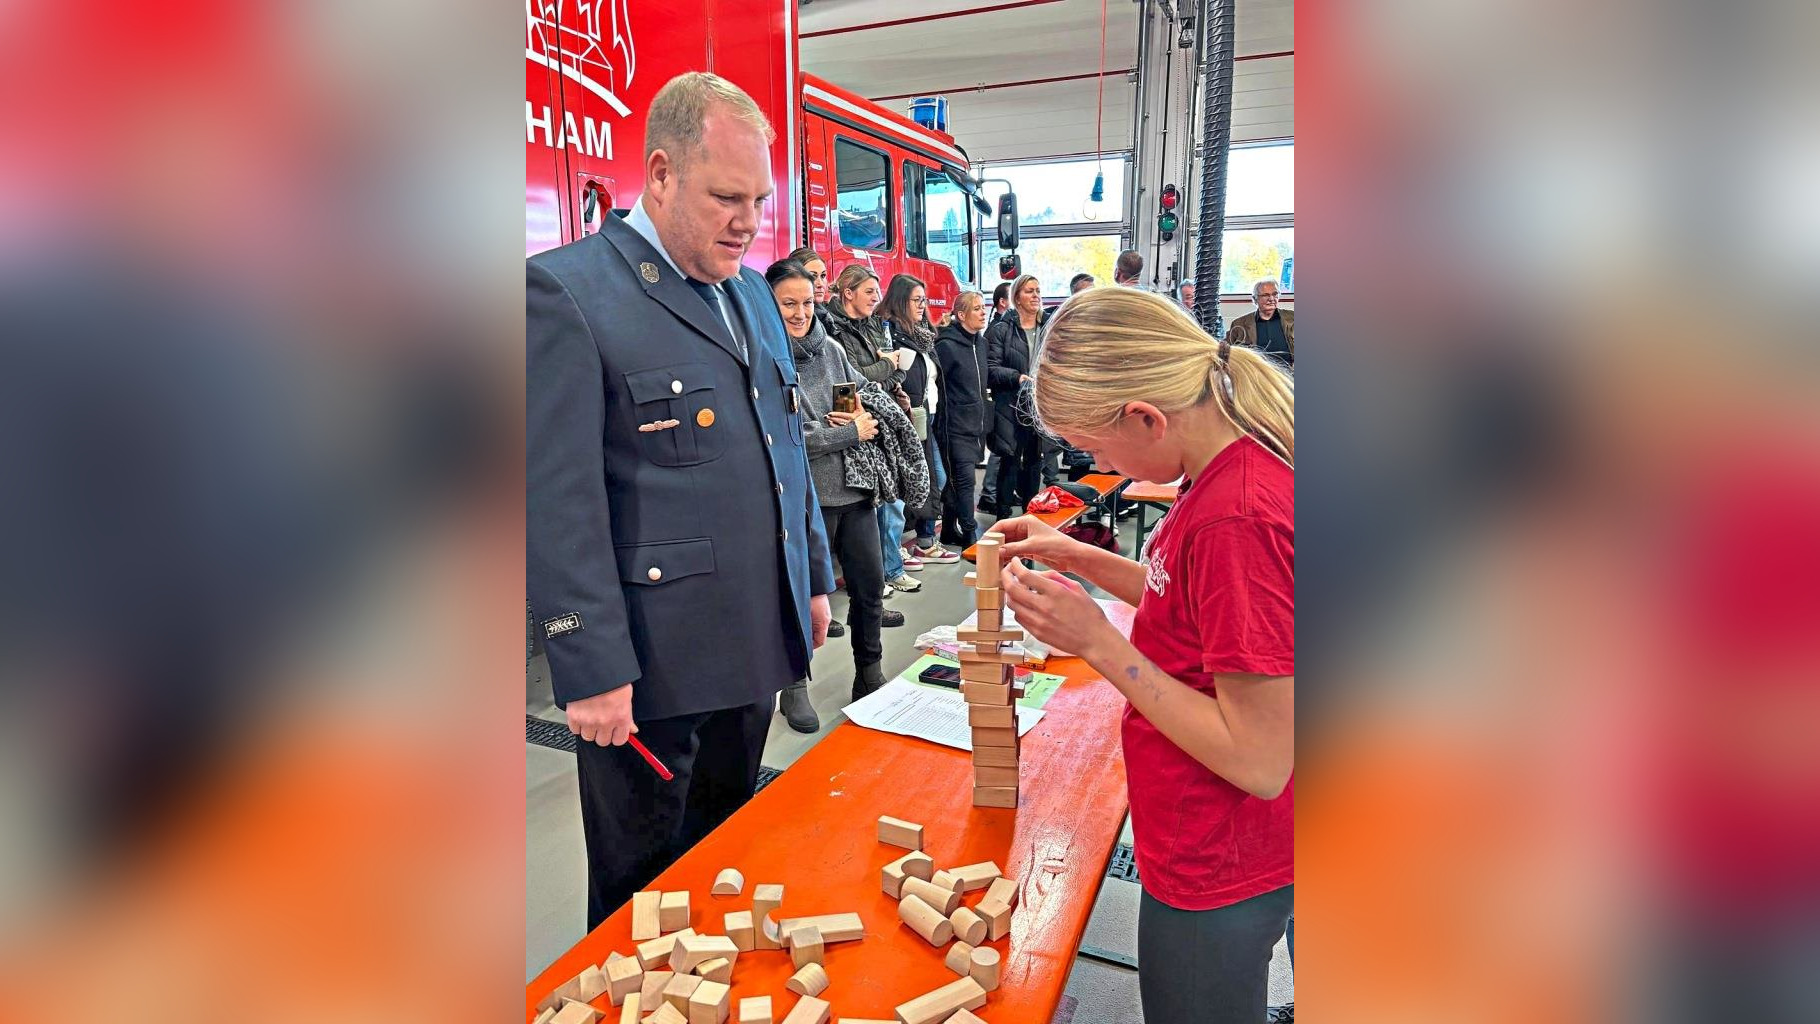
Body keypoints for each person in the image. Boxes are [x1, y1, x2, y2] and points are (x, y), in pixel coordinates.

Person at [526, 71, 834, 930]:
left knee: (728, 868)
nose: (749, 222)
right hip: (650, 671)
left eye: (760, 199)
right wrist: (587, 666)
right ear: (659, 175)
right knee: (639, 904)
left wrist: (809, 577)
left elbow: (786, 450)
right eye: (726, 196)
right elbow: (556, 500)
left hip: (752, 642)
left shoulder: (750, 297)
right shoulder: (567, 294)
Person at [987, 287, 1293, 1024]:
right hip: (1216, 833)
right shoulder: (1224, 461)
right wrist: (1077, 557)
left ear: (1145, 418)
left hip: (1223, 850)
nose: (1096, 463)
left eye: (1095, 448)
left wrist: (1096, 640)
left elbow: (1260, 758)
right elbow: (1183, 600)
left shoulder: (1237, 517)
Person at [766, 259, 903, 732]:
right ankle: (795, 686)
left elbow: (860, 396)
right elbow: (783, 437)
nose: (801, 312)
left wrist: (867, 409)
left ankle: (870, 673)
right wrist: (845, 432)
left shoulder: (831, 349)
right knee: (799, 594)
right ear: (769, 304)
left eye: (807, 302)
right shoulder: (763, 357)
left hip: (855, 490)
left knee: (868, 590)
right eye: (789, 303)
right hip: (804, 500)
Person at [823, 265, 923, 593]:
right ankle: (874, 577)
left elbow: (893, 376)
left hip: (881, 417)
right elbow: (849, 381)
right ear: (848, 292)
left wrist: (887, 371)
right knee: (867, 507)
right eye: (869, 292)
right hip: (852, 419)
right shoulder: (833, 328)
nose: (875, 299)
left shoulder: (873, 325)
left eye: (877, 293)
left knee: (891, 501)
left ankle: (890, 569)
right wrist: (887, 365)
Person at [880, 274, 959, 565]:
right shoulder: (891, 333)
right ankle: (905, 545)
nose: (922, 306)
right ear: (901, 301)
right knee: (920, 479)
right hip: (910, 415)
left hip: (931, 413)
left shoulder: (923, 334)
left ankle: (925, 542)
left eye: (923, 300)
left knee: (933, 477)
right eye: (916, 300)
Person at [985, 274, 1051, 514]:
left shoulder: (1047, 327)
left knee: (1035, 464)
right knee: (1010, 464)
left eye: (1038, 291)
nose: (1036, 296)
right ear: (1016, 298)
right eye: (1029, 291)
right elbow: (990, 368)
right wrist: (1017, 377)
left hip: (1038, 406)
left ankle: (1030, 519)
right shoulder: (1001, 329)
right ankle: (1002, 522)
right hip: (1010, 406)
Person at [934, 290, 991, 546]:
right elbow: (940, 389)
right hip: (954, 427)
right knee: (965, 482)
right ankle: (969, 532)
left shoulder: (981, 343)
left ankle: (948, 529)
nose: (983, 312)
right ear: (961, 314)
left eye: (983, 307)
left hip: (975, 426)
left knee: (958, 483)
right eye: (977, 308)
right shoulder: (946, 346)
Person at [1224, 279, 1293, 366]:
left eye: (1275, 294)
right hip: (1256, 375)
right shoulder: (1239, 324)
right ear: (1255, 299)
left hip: (1290, 374)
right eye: (1265, 295)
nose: (1271, 299)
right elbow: (1225, 351)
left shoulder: (1293, 319)